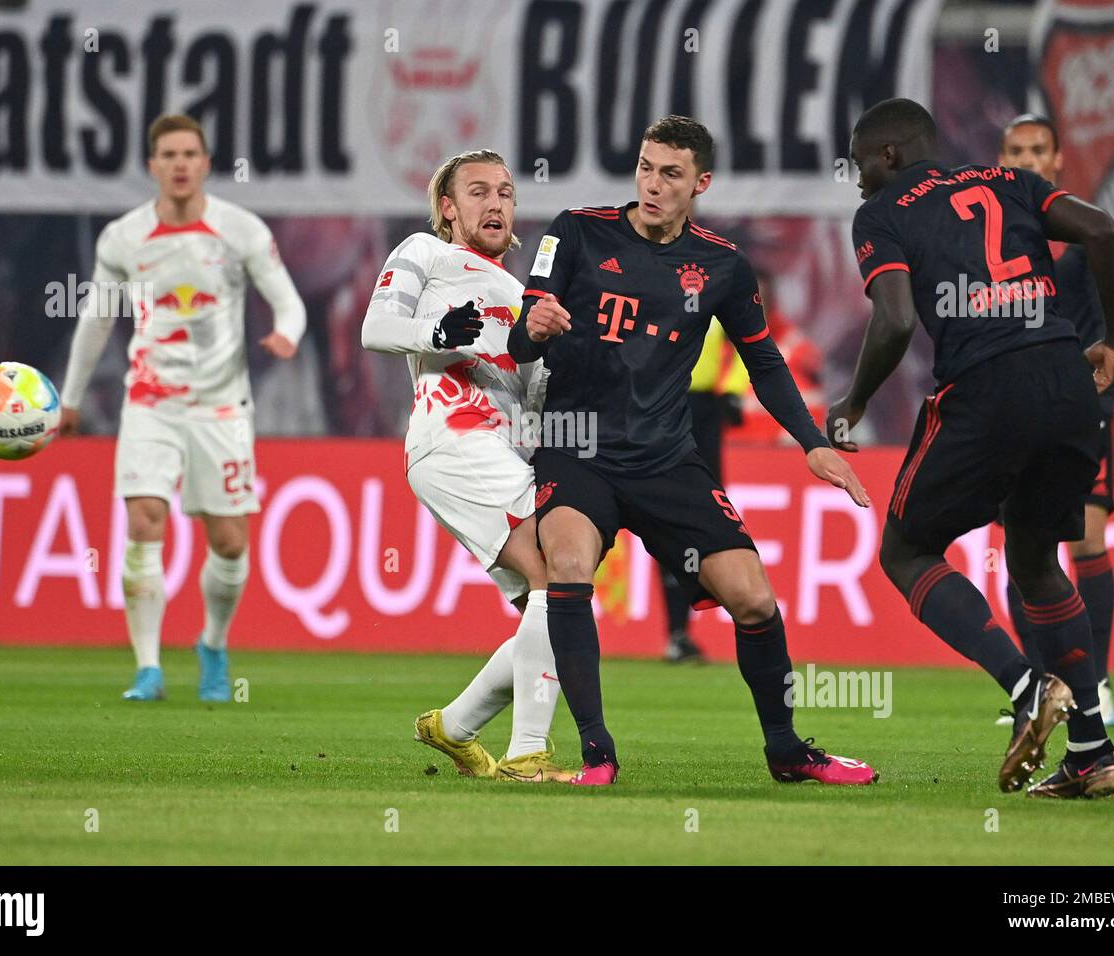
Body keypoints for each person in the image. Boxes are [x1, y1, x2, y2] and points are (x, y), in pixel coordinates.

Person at [508, 115, 877, 787]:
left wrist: (813, 444)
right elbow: (521, 342)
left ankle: (788, 750)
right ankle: (597, 752)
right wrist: (531, 329)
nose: (652, 184)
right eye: (646, 167)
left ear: (700, 182)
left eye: (670, 174)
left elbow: (764, 364)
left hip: (666, 460)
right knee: (567, 564)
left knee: (755, 600)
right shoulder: (576, 231)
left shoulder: (722, 267)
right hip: (576, 448)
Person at [829, 98, 1114, 797]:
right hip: (1067, 381)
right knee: (1033, 560)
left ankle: (1026, 688)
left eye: (862, 163)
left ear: (891, 156)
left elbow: (897, 317)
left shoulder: (882, 212)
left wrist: (858, 400)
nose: (861, 180)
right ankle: (1092, 750)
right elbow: (1104, 229)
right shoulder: (1009, 183)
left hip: (989, 388)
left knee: (904, 550)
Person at [60, 114, 305, 702]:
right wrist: (70, 399)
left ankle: (213, 645)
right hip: (150, 403)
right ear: (152, 165)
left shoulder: (240, 229)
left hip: (221, 408)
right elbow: (97, 319)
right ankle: (148, 668)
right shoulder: (122, 237)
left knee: (228, 542)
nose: (178, 163)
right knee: (144, 520)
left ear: (205, 163)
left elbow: (289, 302)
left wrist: (287, 334)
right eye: (167, 154)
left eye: (189, 153)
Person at [361, 149, 571, 783]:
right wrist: (441, 334)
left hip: (501, 449)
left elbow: (531, 396)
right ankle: (528, 754)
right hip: (451, 439)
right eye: (478, 192)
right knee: (558, 578)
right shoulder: (425, 254)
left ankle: (454, 726)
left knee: (560, 600)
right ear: (448, 209)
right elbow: (376, 327)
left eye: (506, 192)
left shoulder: (523, 294)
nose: (496, 203)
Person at [996, 114, 1114, 728]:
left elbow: (1104, 337)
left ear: (1057, 160)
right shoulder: (996, 239)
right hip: (1016, 411)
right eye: (1015, 150)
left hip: (1084, 404)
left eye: (1036, 150)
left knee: (1088, 537)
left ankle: (1095, 683)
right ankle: (1043, 687)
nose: (1025, 159)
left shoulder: (1083, 234)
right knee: (1022, 542)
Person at [660, 316, 748, 663]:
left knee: (700, 513)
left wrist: (734, 390)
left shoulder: (718, 284)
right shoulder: (659, 282)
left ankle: (683, 631)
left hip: (705, 412)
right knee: (665, 518)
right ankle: (677, 632)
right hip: (660, 406)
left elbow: (749, 341)